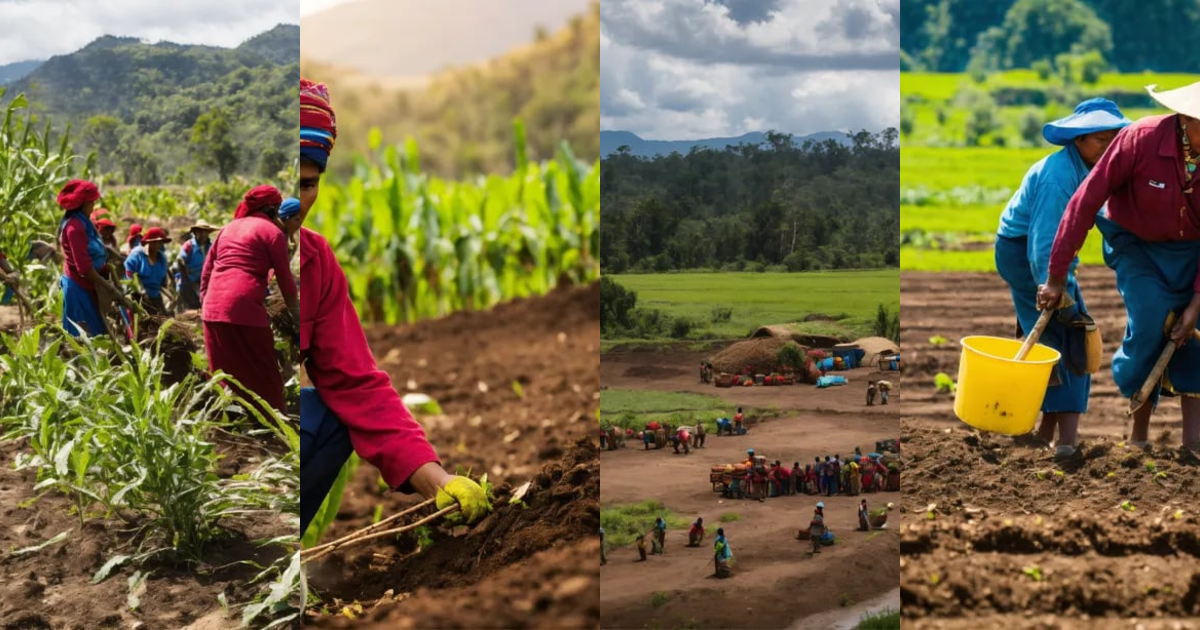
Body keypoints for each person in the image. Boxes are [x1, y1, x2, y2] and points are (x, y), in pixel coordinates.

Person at [295, 77, 489, 535]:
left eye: (307, 184)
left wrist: (438, 483)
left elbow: (357, 385)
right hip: (223, 440)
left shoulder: (315, 261)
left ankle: (280, 553)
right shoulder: (227, 250)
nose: (294, 202)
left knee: (329, 417)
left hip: (275, 434)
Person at [1040, 84, 1200, 453]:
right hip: (1136, 245)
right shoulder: (1139, 140)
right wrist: (1055, 276)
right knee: (1149, 324)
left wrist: (1196, 303)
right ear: (1187, 120)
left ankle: (1192, 443)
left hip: (1193, 250)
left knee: (1195, 334)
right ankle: (1139, 437)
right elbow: (1084, 202)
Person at [995, 99, 1132, 459]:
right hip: (1027, 255)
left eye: (1114, 138)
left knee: (1052, 341)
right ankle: (1067, 444)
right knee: (1072, 340)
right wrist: (1054, 285)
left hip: (1047, 257)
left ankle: (1044, 434)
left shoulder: (1093, 167)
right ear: (1078, 140)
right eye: (1101, 139)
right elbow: (1044, 241)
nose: (1109, 146)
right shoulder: (1059, 177)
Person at [200, 185, 298, 419]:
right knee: (264, 370)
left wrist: (206, 303)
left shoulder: (227, 229)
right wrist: (297, 316)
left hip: (212, 308)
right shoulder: (272, 233)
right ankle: (276, 425)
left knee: (224, 372)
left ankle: (231, 422)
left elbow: (207, 271)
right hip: (243, 307)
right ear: (273, 209)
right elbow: (285, 279)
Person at [56, 180, 130, 337]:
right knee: (86, 339)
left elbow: (101, 248)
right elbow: (84, 269)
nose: (94, 205)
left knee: (100, 334)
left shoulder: (85, 222)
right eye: (92, 202)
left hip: (92, 286)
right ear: (83, 204)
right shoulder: (74, 228)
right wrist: (110, 289)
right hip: (79, 289)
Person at [123, 226, 170, 315]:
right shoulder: (137, 254)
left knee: (163, 317)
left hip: (154, 294)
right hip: (137, 295)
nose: (157, 245)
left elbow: (163, 281)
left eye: (160, 242)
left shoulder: (162, 258)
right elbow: (129, 273)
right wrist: (141, 291)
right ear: (148, 242)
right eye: (154, 242)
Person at [173, 220, 217, 313]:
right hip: (189, 281)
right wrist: (186, 280)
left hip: (203, 282)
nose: (203, 234)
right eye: (200, 231)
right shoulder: (189, 245)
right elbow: (180, 260)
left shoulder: (211, 246)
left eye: (205, 232)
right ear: (195, 232)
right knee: (193, 306)